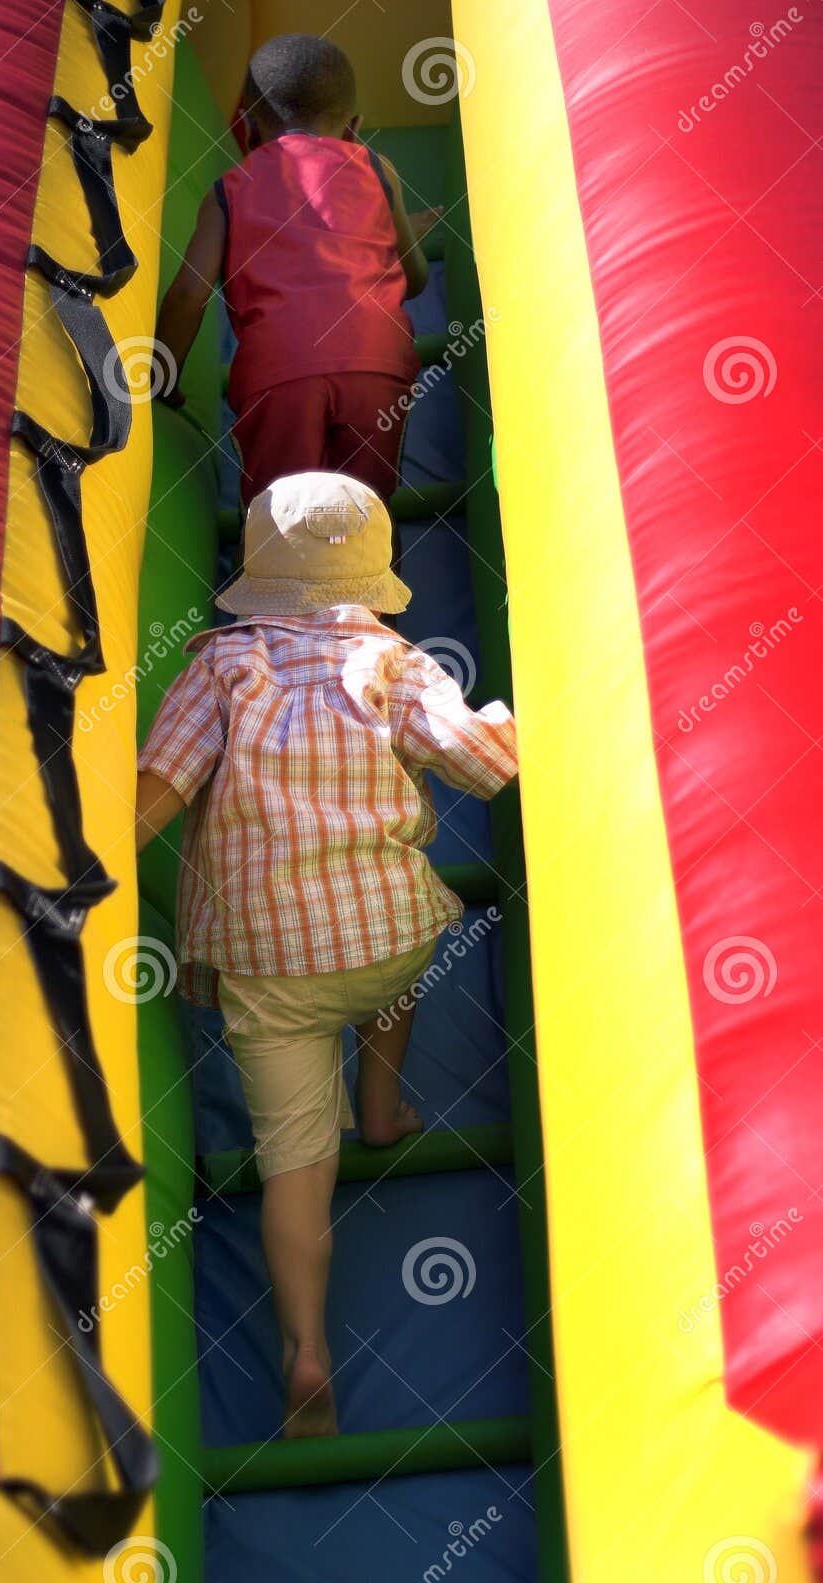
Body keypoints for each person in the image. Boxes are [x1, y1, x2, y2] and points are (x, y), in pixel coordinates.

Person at [135, 472, 517, 1438]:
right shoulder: (393, 663)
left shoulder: (220, 667)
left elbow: (159, 794)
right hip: (382, 930)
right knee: (399, 962)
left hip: (264, 960)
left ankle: (305, 1350)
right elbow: (480, 768)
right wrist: (507, 723)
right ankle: (383, 1109)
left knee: (294, 1162)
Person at [154, 33, 440, 506]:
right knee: (367, 513)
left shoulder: (229, 189)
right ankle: (374, 573)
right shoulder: (376, 167)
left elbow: (189, 294)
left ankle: (278, 574)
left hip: (279, 375)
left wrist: (162, 378)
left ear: (245, 128)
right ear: (354, 128)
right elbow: (417, 278)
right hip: (377, 367)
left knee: (280, 517)